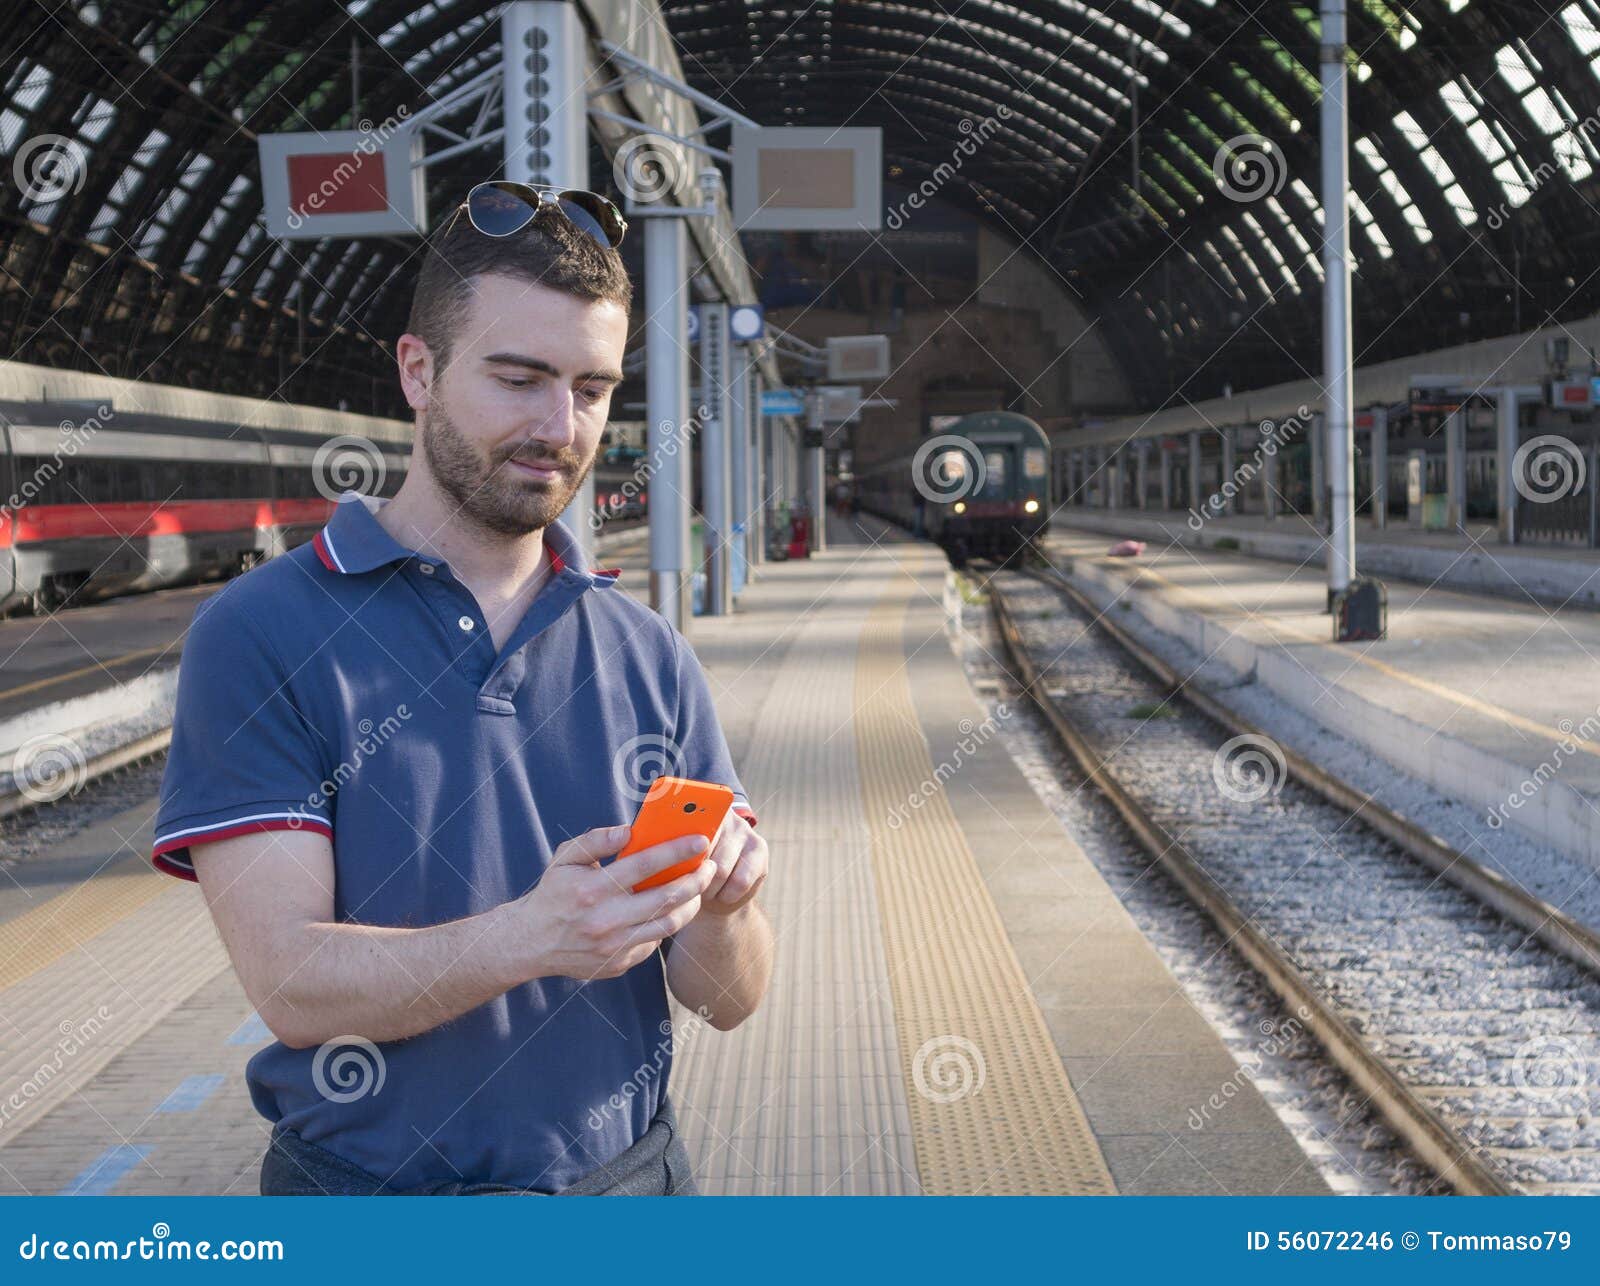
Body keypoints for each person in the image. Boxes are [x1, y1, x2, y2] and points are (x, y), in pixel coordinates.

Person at [150, 183, 773, 1196]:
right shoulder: (262, 631)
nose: (559, 425)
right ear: (418, 370)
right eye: (519, 378)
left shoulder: (646, 650)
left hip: (631, 1186)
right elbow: (293, 984)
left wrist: (727, 908)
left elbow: (728, 998)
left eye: (592, 386)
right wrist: (533, 934)